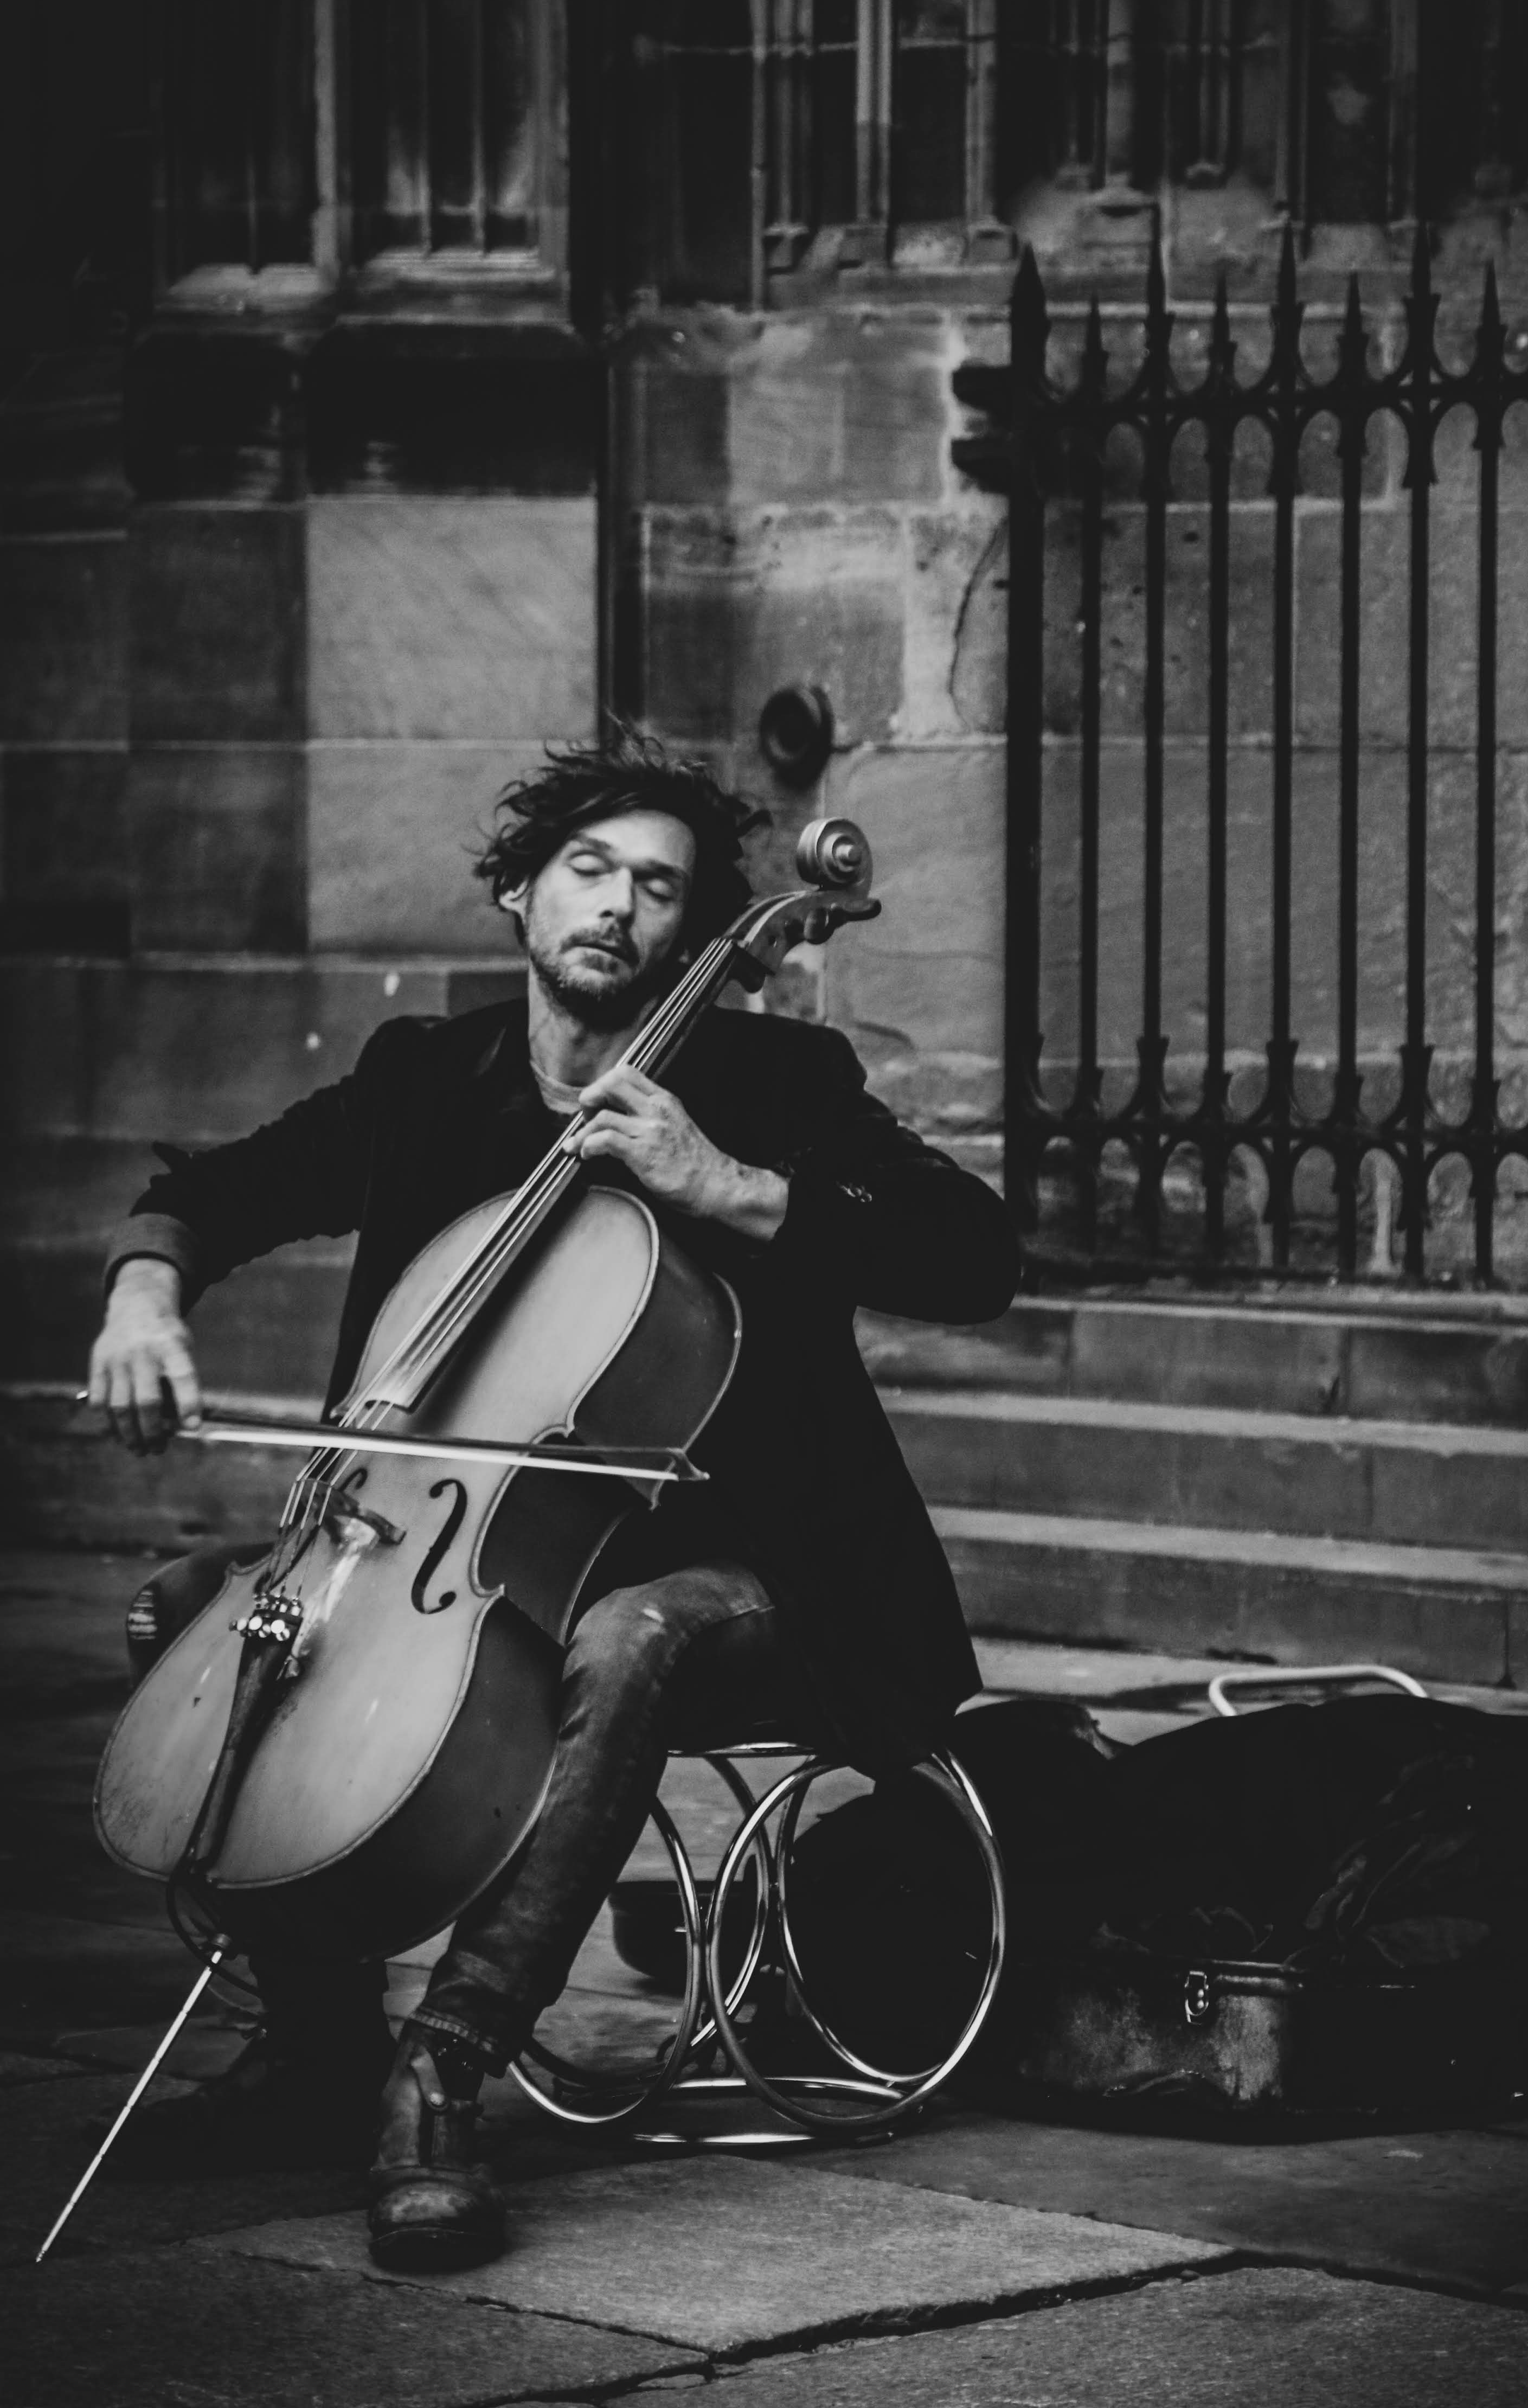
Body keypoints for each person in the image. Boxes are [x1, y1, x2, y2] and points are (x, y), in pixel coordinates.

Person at [89, 729, 1020, 2271]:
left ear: (693, 932)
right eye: (588, 869)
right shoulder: (424, 1082)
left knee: (630, 1632)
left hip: (756, 1578)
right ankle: (316, 2050)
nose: (618, 905)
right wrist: (143, 1297)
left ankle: (444, 2065)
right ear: (520, 896)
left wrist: (732, 1185)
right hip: (466, 1567)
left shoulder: (775, 1083)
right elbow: (218, 1186)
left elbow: (972, 1254)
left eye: (659, 888)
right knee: (199, 1609)